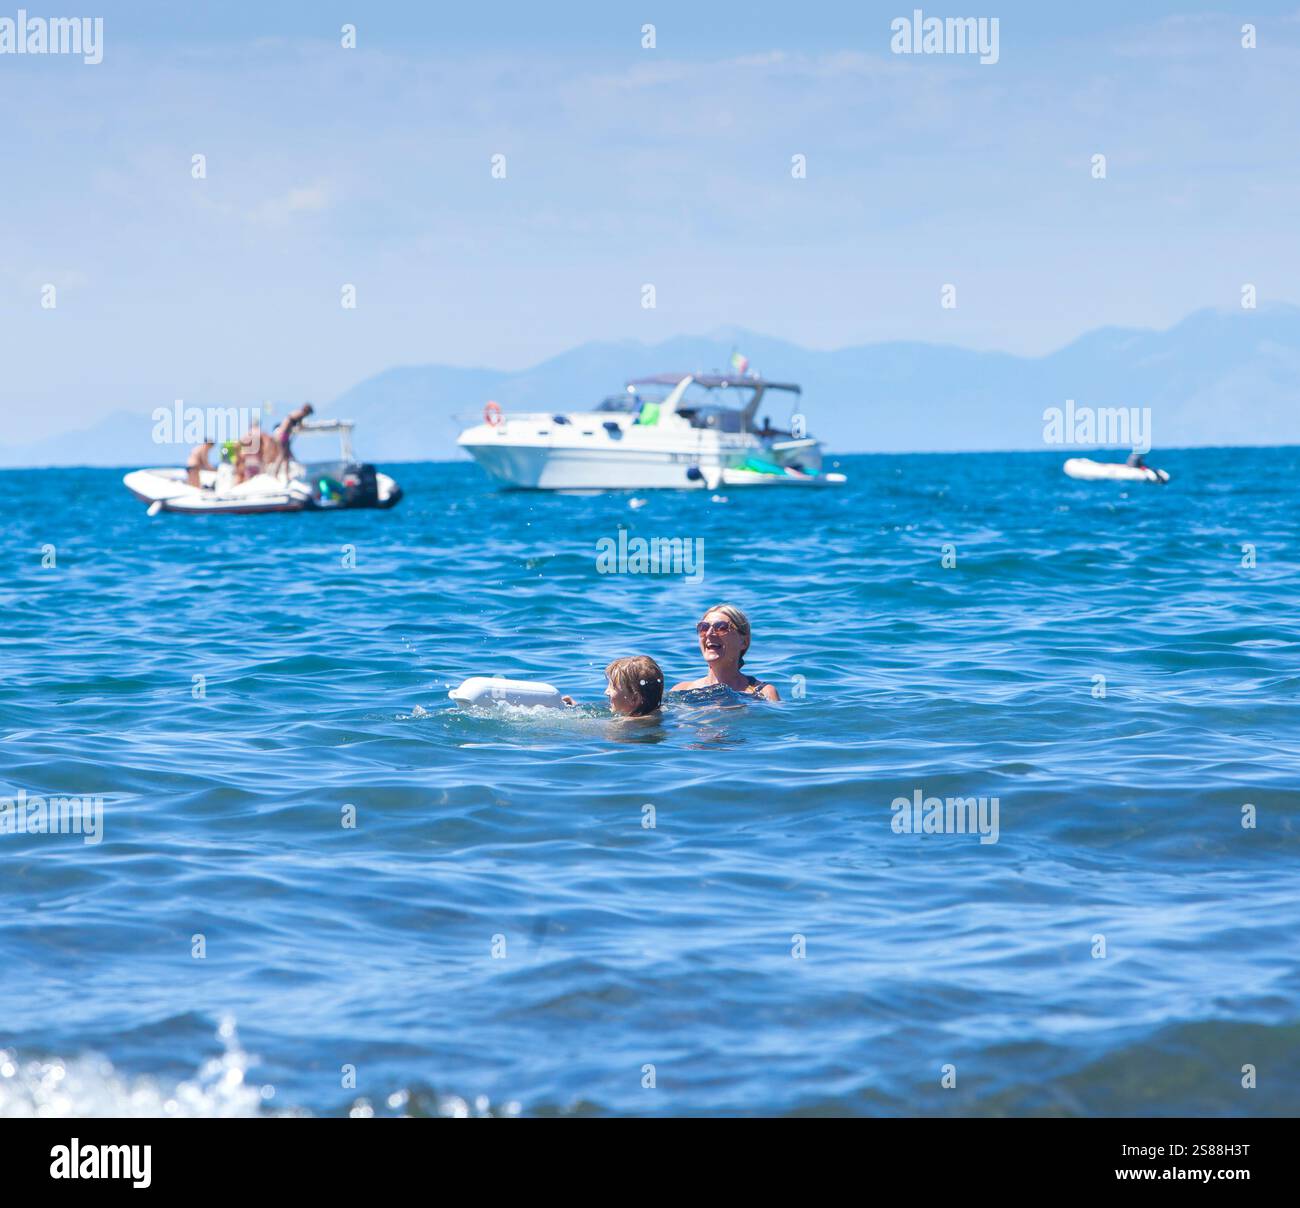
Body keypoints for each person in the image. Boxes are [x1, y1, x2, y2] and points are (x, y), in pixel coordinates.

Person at [671, 603, 780, 700]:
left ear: (744, 642)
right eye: (703, 627)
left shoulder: (762, 693)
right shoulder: (680, 691)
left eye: (721, 627)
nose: (709, 633)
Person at [562, 655, 664, 717]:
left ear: (634, 698)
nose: (606, 692)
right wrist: (576, 707)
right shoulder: (659, 712)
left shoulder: (629, 724)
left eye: (612, 687)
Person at [272, 403, 314, 477]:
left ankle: (284, 474)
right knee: (284, 455)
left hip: (281, 435)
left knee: (286, 455)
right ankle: (278, 473)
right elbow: (301, 426)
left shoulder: (296, 413)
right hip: (283, 436)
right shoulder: (301, 414)